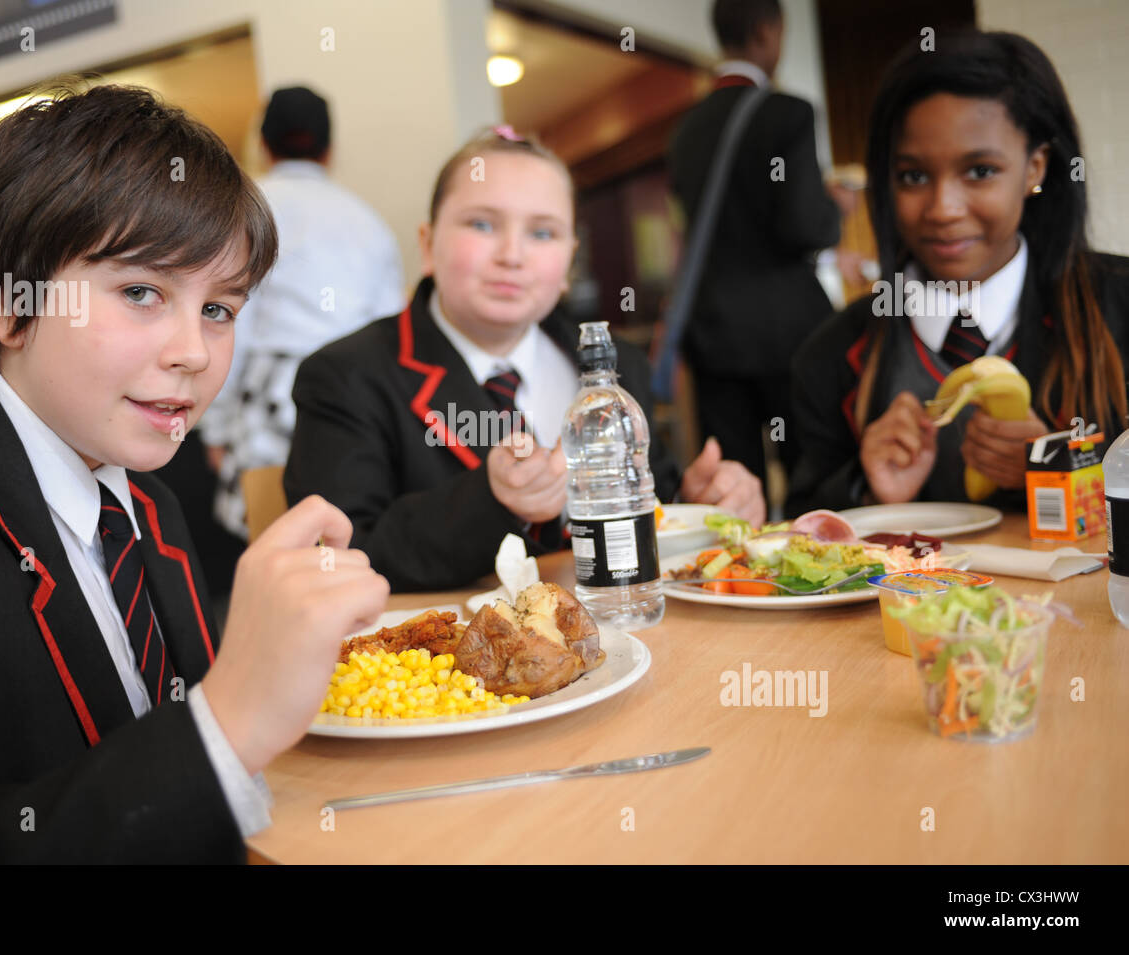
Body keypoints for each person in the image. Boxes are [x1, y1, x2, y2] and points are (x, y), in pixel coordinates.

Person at [0, 85, 389, 863]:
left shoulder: (150, 503)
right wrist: (222, 726)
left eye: (220, 309)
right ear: (5, 296)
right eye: (140, 292)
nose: (193, 351)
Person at [284, 128, 766, 592]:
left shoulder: (615, 369)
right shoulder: (347, 376)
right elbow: (339, 555)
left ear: (568, 264)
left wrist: (698, 503)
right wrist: (493, 500)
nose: (512, 255)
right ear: (428, 245)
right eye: (482, 224)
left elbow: (648, 506)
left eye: (542, 232)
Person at [788, 30, 1129, 514]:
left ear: (1035, 167)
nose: (943, 209)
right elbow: (800, 533)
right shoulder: (828, 358)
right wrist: (866, 490)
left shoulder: (1118, 309)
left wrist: (1064, 469)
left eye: (980, 171)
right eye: (914, 176)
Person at [200, 86, 405, 540]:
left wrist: (214, 425)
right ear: (329, 150)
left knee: (273, 543)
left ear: (264, 145)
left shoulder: (244, 209)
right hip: (354, 395)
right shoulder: (369, 222)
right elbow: (393, 334)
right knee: (345, 537)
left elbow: (230, 317)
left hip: (269, 390)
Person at [668, 0, 843, 486]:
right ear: (768, 31)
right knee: (811, 472)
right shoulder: (788, 114)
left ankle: (740, 564)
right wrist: (835, 210)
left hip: (712, 329)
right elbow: (806, 227)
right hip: (788, 330)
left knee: (735, 480)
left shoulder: (686, 130)